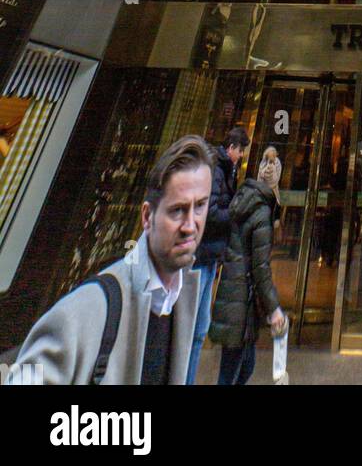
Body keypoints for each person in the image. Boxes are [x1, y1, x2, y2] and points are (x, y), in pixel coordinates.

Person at [4, 136, 212, 385]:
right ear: (147, 216)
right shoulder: (82, 311)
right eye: (177, 210)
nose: (190, 225)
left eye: (200, 206)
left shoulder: (181, 299)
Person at [208, 171, 286, 384]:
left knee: (243, 363)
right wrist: (274, 308)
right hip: (242, 299)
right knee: (233, 369)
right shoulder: (261, 216)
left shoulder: (240, 203)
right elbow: (261, 268)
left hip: (232, 292)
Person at [186, 125, 250, 385]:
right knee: (194, 327)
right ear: (233, 148)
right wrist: (235, 212)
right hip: (202, 255)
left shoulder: (225, 169)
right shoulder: (217, 170)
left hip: (210, 255)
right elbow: (211, 213)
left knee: (200, 327)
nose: (243, 156)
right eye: (242, 151)